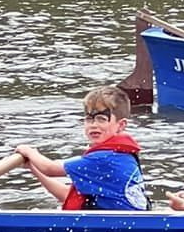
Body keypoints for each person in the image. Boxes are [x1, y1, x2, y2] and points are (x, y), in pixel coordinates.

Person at [14, 84, 149, 211]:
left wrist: (29, 151)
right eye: (89, 119)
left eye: (101, 119)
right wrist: (33, 167)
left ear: (121, 125)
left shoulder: (105, 158)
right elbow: (67, 195)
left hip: (122, 226)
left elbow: (50, 168)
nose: (93, 125)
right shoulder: (121, 154)